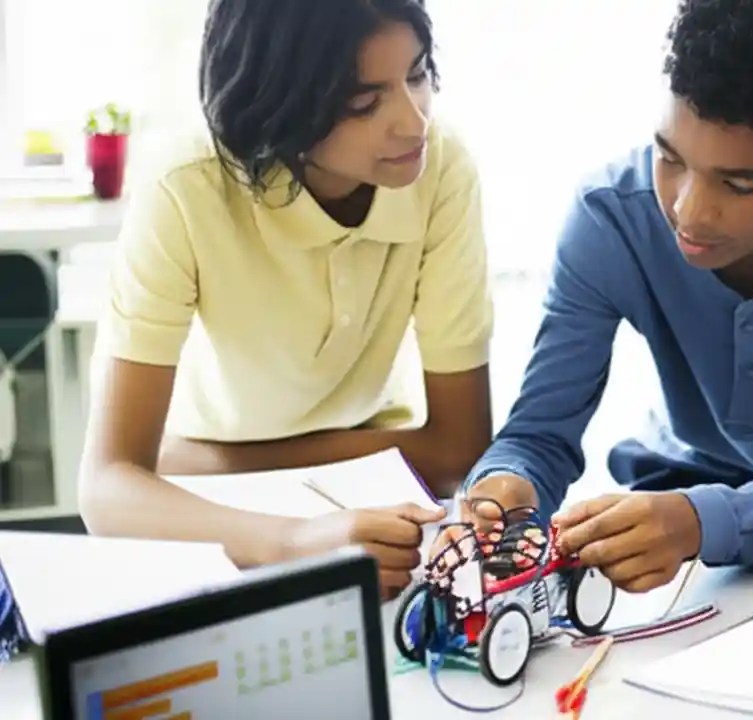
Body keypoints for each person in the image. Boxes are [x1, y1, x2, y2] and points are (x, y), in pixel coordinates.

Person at [454, 0, 753, 593]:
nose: (688, 211)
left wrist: (696, 524)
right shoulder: (609, 216)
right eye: (670, 157)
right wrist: (505, 486)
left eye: (738, 184)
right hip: (673, 487)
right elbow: (537, 438)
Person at [78, 0, 494, 598]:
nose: (414, 122)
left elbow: (459, 450)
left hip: (359, 496)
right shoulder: (185, 186)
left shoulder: (442, 168)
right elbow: (106, 487)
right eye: (364, 102)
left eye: (418, 74)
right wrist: (297, 541)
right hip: (220, 518)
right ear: (278, 105)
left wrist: (188, 461)